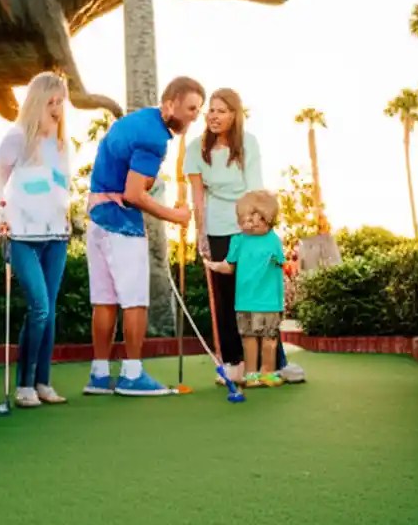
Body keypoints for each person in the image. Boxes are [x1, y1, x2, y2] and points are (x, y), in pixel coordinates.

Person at [83, 76, 203, 396]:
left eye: (198, 110)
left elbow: (127, 179)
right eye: (191, 108)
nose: (194, 115)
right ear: (169, 104)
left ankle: (99, 375)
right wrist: (175, 215)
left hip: (96, 221)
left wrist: (151, 185)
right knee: (135, 300)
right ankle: (132, 375)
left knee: (105, 299)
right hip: (122, 226)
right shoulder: (154, 137)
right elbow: (134, 194)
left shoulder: (132, 123)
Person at [183, 88, 304, 385]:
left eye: (221, 110)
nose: (213, 115)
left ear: (235, 115)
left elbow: (254, 189)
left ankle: (275, 363)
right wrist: (200, 233)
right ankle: (233, 363)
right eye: (211, 110)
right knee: (225, 301)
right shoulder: (196, 148)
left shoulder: (248, 143)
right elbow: (198, 196)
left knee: (257, 296)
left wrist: (255, 226)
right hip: (217, 229)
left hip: (249, 229)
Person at [0, 72, 72, 408]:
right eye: (51, 101)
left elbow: (61, 188)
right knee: (39, 308)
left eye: (61, 101)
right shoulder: (16, 138)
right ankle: (23, 386)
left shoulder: (63, 145)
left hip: (56, 235)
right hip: (21, 235)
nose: (57, 108)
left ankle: (43, 382)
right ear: (36, 101)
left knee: (49, 313)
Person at [203, 190, 286, 388]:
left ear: (269, 220)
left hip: (269, 302)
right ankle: (250, 374)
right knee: (249, 339)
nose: (253, 223)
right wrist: (214, 265)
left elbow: (280, 264)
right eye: (248, 219)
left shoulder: (274, 240)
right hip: (246, 301)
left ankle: (267, 372)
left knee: (269, 339)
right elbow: (229, 265)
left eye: (259, 219)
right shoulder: (238, 241)